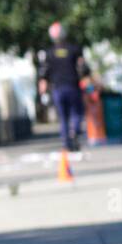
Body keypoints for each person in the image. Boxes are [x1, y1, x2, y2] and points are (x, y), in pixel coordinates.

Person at [37, 22, 90, 151]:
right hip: (72, 87)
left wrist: (42, 92)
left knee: (63, 117)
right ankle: (75, 132)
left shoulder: (49, 53)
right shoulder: (74, 50)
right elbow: (83, 68)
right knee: (76, 113)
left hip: (57, 89)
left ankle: (67, 143)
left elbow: (44, 74)